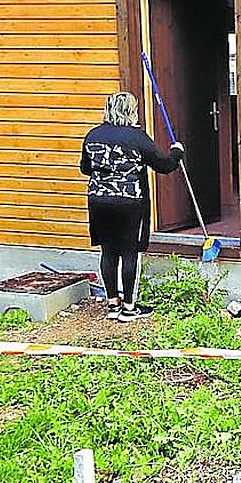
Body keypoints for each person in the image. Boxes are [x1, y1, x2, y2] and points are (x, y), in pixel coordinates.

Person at [79, 91, 183, 322]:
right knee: (129, 251)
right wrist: (177, 153)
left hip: (98, 200)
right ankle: (129, 308)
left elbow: (85, 169)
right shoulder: (137, 137)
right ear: (130, 111)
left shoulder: (93, 135)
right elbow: (164, 165)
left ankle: (112, 304)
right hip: (129, 201)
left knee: (108, 251)